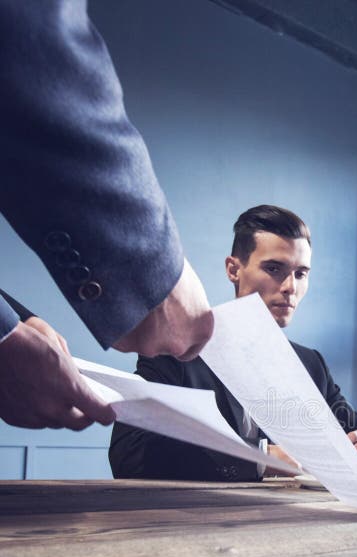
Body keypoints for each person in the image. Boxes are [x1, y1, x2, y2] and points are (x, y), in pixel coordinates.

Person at [0, 0, 213, 432]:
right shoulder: (169, 358)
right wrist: (154, 270)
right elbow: (26, 26)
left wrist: (11, 324)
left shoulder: (314, 365)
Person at [109, 205, 357, 482]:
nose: (291, 287)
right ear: (233, 269)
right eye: (274, 269)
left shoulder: (311, 364)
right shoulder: (176, 353)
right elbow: (128, 455)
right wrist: (260, 460)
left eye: (301, 273)